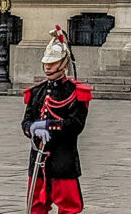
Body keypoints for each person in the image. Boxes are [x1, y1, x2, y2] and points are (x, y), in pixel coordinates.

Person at [21, 25, 92, 214]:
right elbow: (26, 122)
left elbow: (75, 125)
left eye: (53, 63)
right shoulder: (37, 91)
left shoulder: (77, 93)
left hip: (62, 159)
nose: (47, 66)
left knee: (69, 207)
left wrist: (48, 126)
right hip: (38, 157)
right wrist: (33, 128)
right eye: (46, 63)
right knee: (35, 206)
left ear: (64, 64)